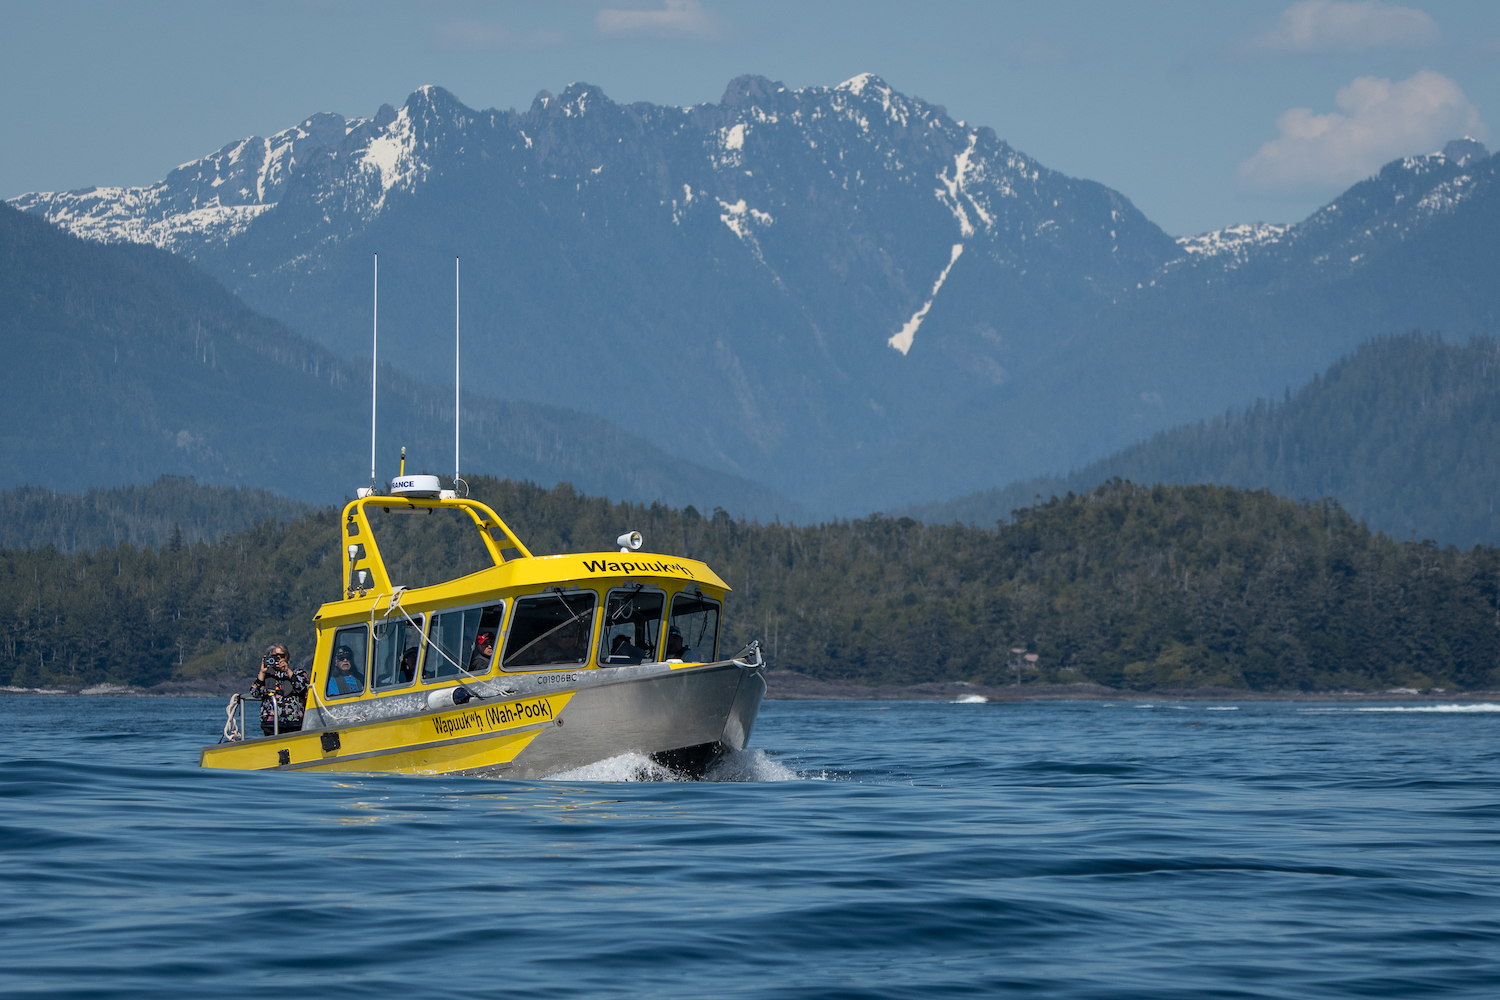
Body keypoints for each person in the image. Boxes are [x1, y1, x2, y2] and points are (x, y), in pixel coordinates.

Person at [250, 644, 309, 736]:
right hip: (271, 722)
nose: (279, 659)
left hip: (293, 721)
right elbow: (255, 693)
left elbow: (301, 687)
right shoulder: (266, 675)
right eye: (275, 656)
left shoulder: (298, 673)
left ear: (287, 657)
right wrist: (262, 672)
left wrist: (288, 671)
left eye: (282, 656)